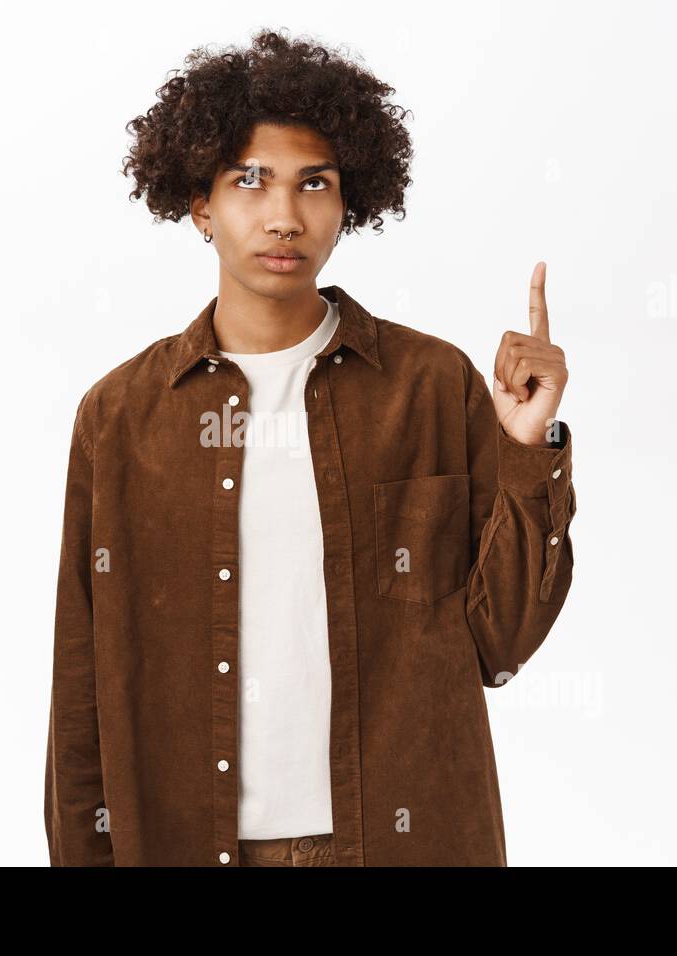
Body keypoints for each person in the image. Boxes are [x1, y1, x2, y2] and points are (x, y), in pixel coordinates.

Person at [44, 28, 576, 867]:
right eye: (250, 180)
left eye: (314, 184)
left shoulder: (431, 387)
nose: (284, 216)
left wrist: (525, 447)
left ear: (348, 203)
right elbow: (82, 691)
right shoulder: (120, 419)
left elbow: (502, 642)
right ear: (200, 205)